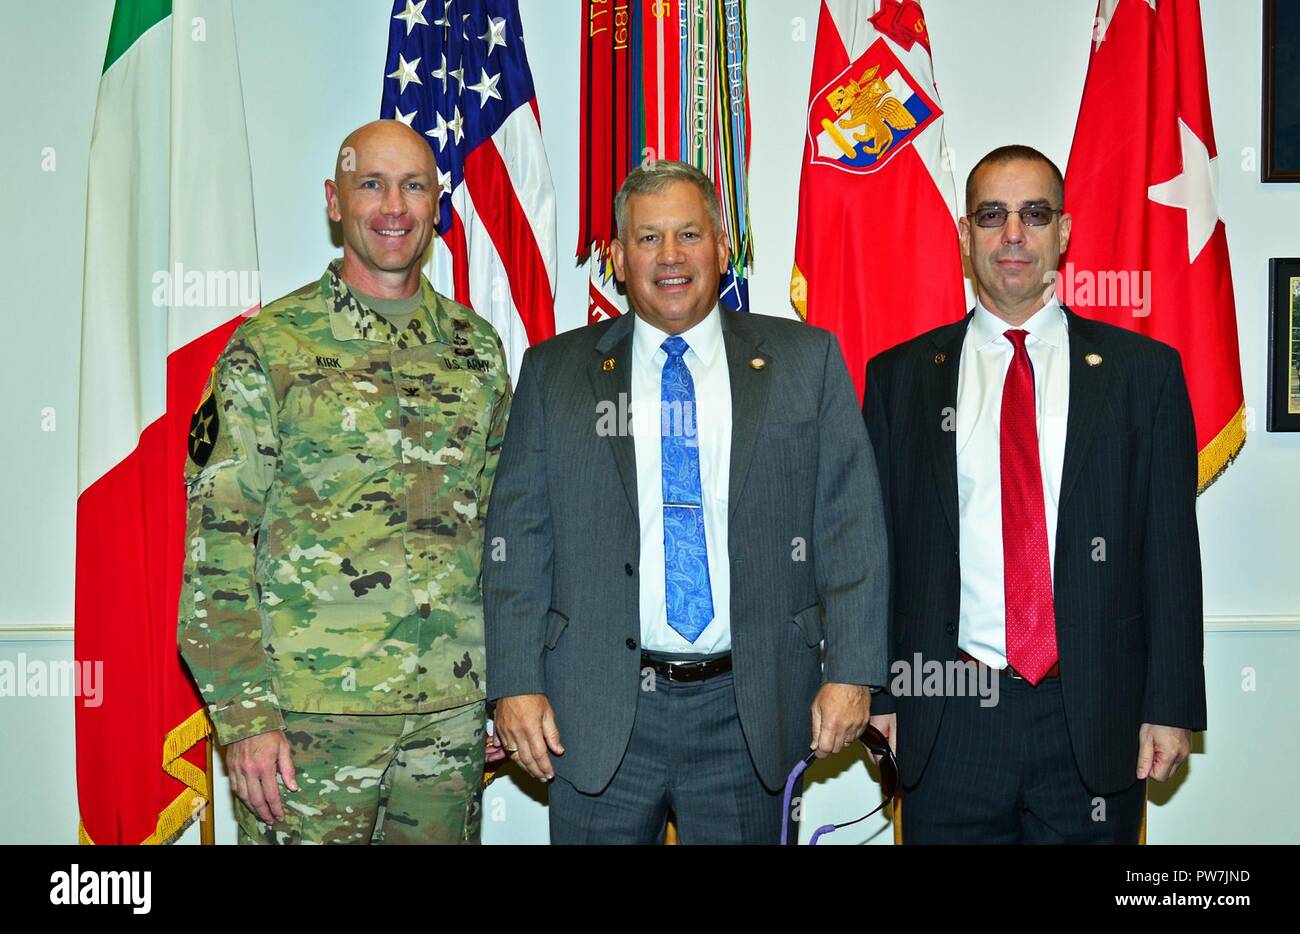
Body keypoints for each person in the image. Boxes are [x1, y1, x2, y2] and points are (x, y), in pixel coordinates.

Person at [483, 159, 888, 844]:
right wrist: (513, 681)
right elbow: (517, 541)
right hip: (594, 712)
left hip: (749, 711)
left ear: (722, 247)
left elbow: (850, 527)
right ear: (615, 257)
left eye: (689, 235)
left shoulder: (805, 361)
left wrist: (853, 671)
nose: (669, 257)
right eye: (646, 239)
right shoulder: (555, 373)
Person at [178, 119, 512, 844]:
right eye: (372, 185)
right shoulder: (271, 346)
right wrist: (245, 718)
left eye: (413, 185)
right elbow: (219, 541)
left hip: (448, 719)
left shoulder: (476, 349)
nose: (394, 206)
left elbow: (503, 534)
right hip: (307, 725)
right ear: (336, 202)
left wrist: (504, 687)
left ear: (437, 203)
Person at [862, 145, 1205, 843]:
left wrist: (1171, 704)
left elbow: (1171, 553)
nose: (1013, 235)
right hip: (948, 718)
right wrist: (881, 692)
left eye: (1034, 214)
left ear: (1064, 232)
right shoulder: (901, 377)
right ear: (964, 235)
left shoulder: (1144, 375)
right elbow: (878, 551)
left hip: (1093, 721)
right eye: (992, 215)